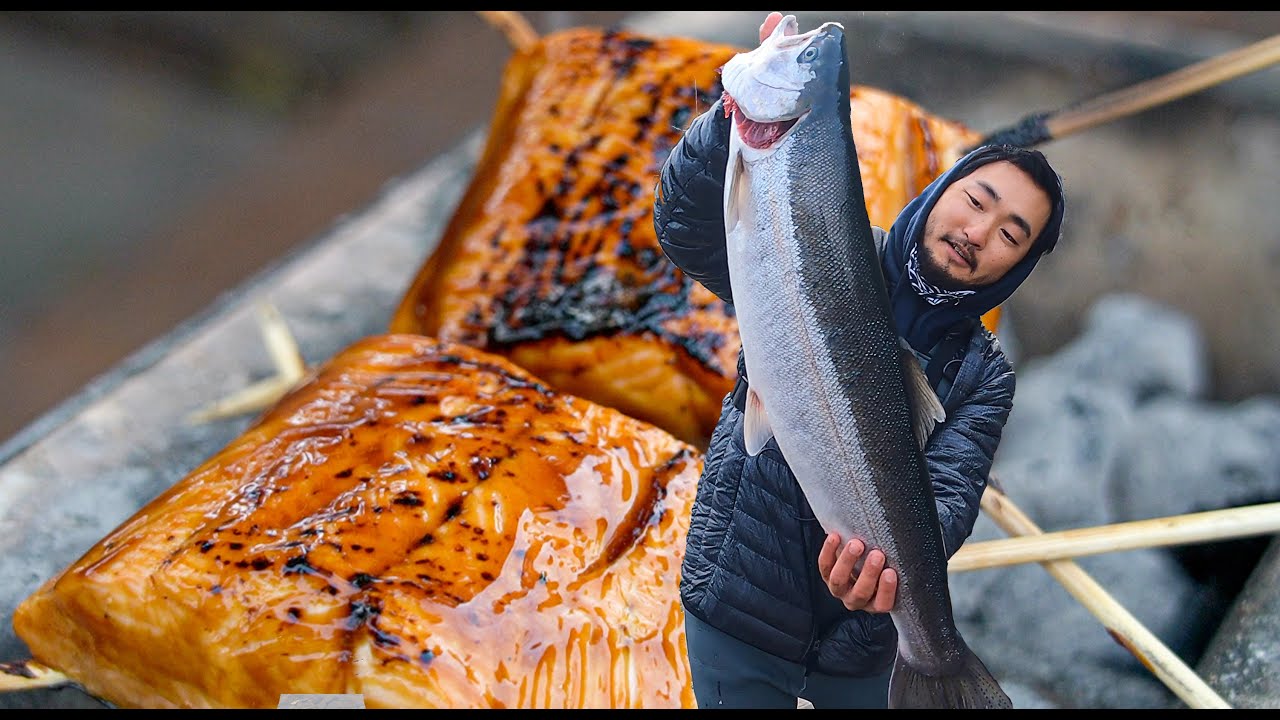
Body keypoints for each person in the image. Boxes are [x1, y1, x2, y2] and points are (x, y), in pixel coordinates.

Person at [651, 11, 1067, 710]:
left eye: (1010, 234)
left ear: (1017, 268)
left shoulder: (982, 376)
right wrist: (728, 124)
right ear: (942, 191)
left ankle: (937, 665)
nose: (978, 232)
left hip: (863, 638)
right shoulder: (827, 243)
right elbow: (686, 226)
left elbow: (945, 510)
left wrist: (888, 589)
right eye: (977, 200)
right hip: (740, 595)